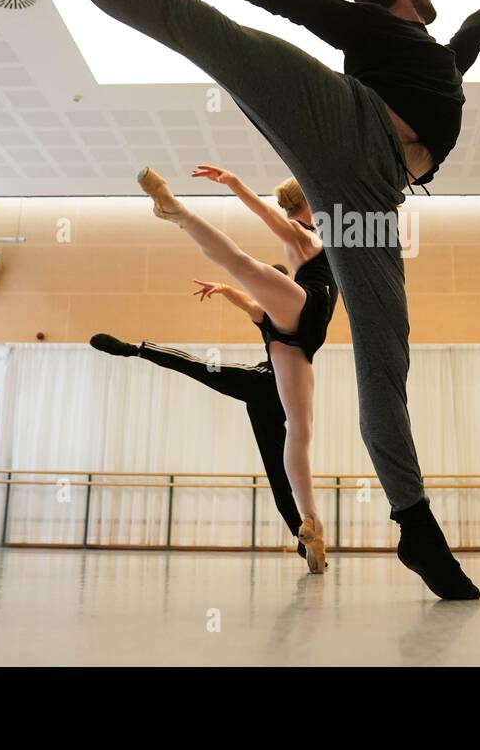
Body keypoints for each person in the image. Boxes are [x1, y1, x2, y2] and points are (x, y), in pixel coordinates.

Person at [0, 0, 480, 598]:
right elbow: (290, 3)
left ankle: (415, 530)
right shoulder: (376, 29)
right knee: (196, 26)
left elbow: (466, 41)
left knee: (387, 355)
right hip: (345, 122)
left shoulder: (434, 57)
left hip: (369, 198)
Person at [136, 168, 336, 573]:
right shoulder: (306, 236)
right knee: (242, 265)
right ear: (309, 201)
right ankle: (175, 209)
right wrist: (234, 184)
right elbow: (270, 219)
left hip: (296, 342)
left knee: (300, 432)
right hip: (305, 311)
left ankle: (310, 524)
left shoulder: (319, 236)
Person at [90, 266, 310, 561]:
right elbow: (247, 302)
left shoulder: (299, 314)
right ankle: (302, 534)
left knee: (203, 366)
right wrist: (223, 288)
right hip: (280, 400)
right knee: (278, 472)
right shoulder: (268, 316)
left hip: (268, 382)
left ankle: (136, 349)